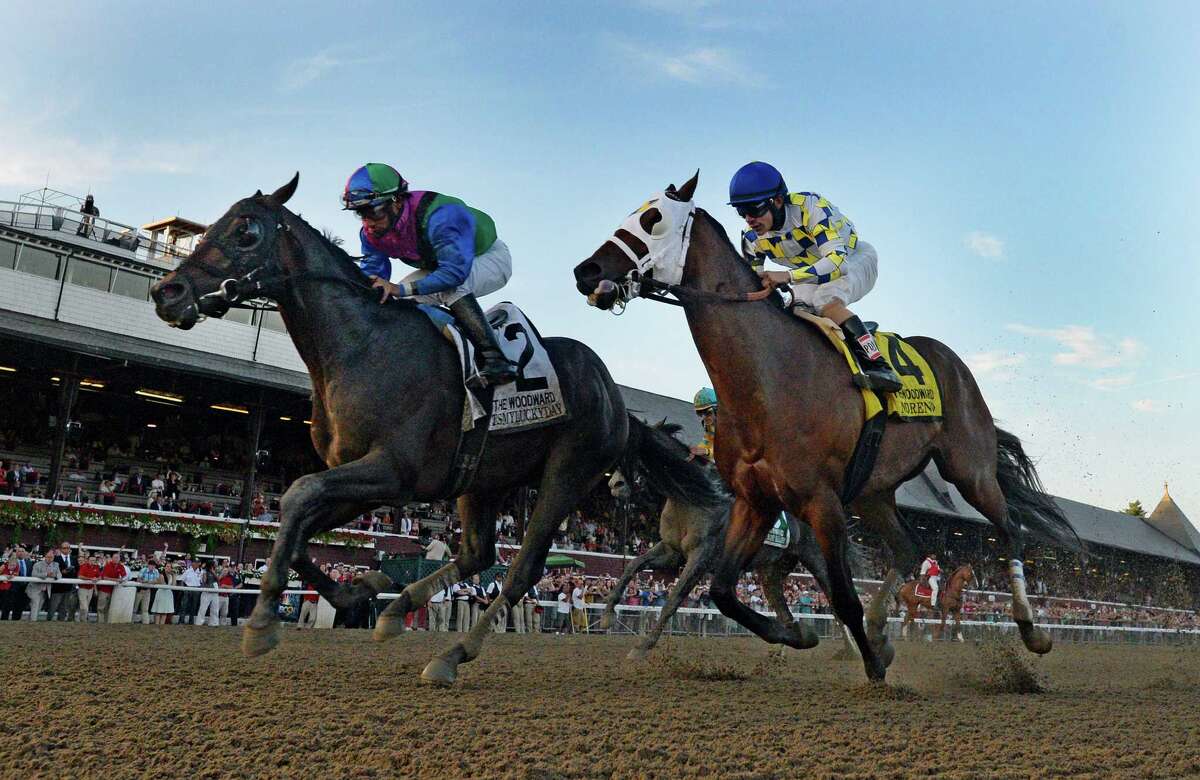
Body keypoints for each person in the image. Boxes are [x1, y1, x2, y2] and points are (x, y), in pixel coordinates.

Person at [728, 161, 901, 393]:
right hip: (810, 275)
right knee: (794, 310)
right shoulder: (751, 239)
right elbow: (754, 282)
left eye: (754, 209)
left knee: (825, 299)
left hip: (852, 259)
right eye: (741, 211)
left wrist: (787, 276)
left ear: (778, 200)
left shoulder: (810, 207)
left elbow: (836, 264)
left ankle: (878, 364)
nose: (749, 219)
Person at [342, 162, 517, 389]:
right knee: (393, 302)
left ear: (396, 201)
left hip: (488, 258)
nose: (368, 223)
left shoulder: (443, 216)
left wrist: (400, 288)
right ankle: (451, 342)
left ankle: (496, 360)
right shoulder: (370, 233)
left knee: (449, 287)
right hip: (442, 265)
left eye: (373, 211)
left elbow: (453, 273)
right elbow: (373, 275)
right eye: (361, 214)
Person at [27, 550, 60, 620]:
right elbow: (34, 574)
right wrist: (46, 574)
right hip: (34, 588)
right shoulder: (37, 564)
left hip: (45, 590)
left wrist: (54, 575)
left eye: (51, 557)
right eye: (48, 557)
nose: (49, 559)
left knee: (39, 605)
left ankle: (31, 620)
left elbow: (59, 575)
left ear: (53, 558)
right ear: (45, 557)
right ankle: (33, 621)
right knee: (35, 603)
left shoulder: (56, 565)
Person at [50, 542, 79, 621]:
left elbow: (77, 571)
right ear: (61, 549)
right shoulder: (56, 558)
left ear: (70, 549)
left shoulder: (74, 559)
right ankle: (48, 620)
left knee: (64, 607)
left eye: (67, 548)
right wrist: (61, 572)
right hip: (57, 587)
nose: (66, 549)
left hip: (69, 587)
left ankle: (61, 621)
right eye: (64, 548)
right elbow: (52, 570)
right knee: (53, 606)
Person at [97, 552, 127, 623]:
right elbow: (105, 577)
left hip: (114, 590)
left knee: (108, 607)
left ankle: (106, 622)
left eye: (118, 558)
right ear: (112, 558)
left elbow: (124, 576)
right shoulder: (108, 565)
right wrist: (117, 580)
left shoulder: (121, 566)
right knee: (101, 607)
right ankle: (100, 622)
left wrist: (121, 579)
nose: (117, 559)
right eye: (115, 557)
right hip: (104, 589)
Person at [691, 387, 718, 461]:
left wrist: (707, 452)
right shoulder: (709, 425)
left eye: (707, 413)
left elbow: (730, 450)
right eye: (700, 414)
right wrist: (698, 450)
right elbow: (707, 440)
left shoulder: (729, 425)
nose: (704, 417)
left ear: (717, 410)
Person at [134, 559, 161, 624]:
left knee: (145, 608)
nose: (152, 567)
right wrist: (144, 581)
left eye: (154, 566)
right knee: (135, 607)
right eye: (151, 565)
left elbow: (158, 581)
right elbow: (138, 579)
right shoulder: (143, 570)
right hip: (140, 591)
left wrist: (150, 582)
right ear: (148, 565)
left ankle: (145, 622)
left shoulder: (156, 571)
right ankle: (131, 621)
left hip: (148, 591)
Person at [76, 553, 101, 622]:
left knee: (85, 606)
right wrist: (91, 579)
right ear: (88, 560)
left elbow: (100, 576)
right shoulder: (83, 566)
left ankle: (81, 620)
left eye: (94, 560)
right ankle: (84, 620)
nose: (92, 561)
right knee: (84, 607)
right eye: (91, 560)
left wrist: (97, 579)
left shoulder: (96, 567)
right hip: (82, 589)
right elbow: (80, 576)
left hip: (90, 589)